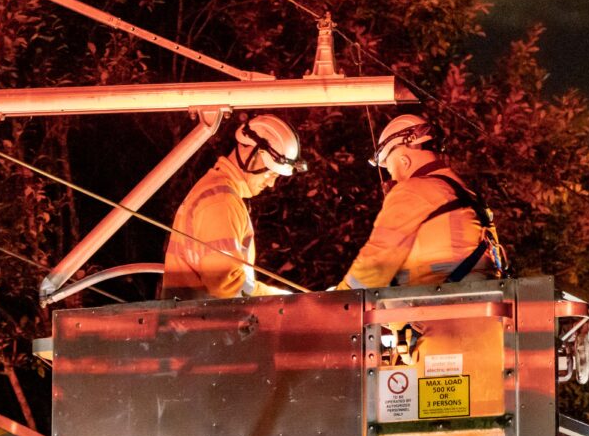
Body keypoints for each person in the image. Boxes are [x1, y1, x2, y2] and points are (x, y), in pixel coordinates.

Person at [337, 114, 507, 290]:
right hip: (477, 307)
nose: (393, 179)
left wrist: (337, 301)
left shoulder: (414, 190)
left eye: (392, 171)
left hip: (438, 311)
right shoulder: (464, 191)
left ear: (404, 161)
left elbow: (375, 264)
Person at [161, 114, 304, 300]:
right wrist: (288, 301)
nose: (270, 184)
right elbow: (227, 287)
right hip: (203, 325)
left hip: (191, 323)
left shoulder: (214, 190)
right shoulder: (221, 201)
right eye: (271, 173)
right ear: (251, 153)